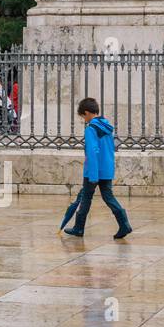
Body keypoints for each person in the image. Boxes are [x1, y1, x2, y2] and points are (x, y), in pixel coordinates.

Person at [64, 97, 132, 239]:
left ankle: (78, 228)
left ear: (87, 113)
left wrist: (93, 175)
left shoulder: (91, 129)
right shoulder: (106, 126)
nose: (84, 120)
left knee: (85, 199)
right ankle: (124, 224)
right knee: (109, 197)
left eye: (83, 117)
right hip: (106, 168)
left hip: (93, 171)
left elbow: (92, 151)